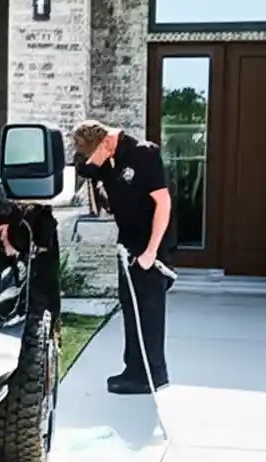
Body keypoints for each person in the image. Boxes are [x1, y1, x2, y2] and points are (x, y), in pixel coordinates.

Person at [71, 120, 176, 395]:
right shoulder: (107, 159)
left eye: (98, 154)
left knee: (149, 314)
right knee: (130, 310)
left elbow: (163, 204)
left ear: (106, 143)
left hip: (150, 247)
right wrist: (93, 159)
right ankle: (133, 370)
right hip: (126, 245)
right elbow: (85, 169)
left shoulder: (144, 154)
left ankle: (154, 375)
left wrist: (151, 252)